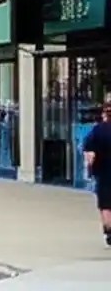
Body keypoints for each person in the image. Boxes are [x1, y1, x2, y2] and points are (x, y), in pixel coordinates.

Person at [81, 101, 111, 246]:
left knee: (105, 204)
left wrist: (90, 168)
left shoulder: (98, 130)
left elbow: (90, 154)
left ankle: (109, 231)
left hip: (104, 172)